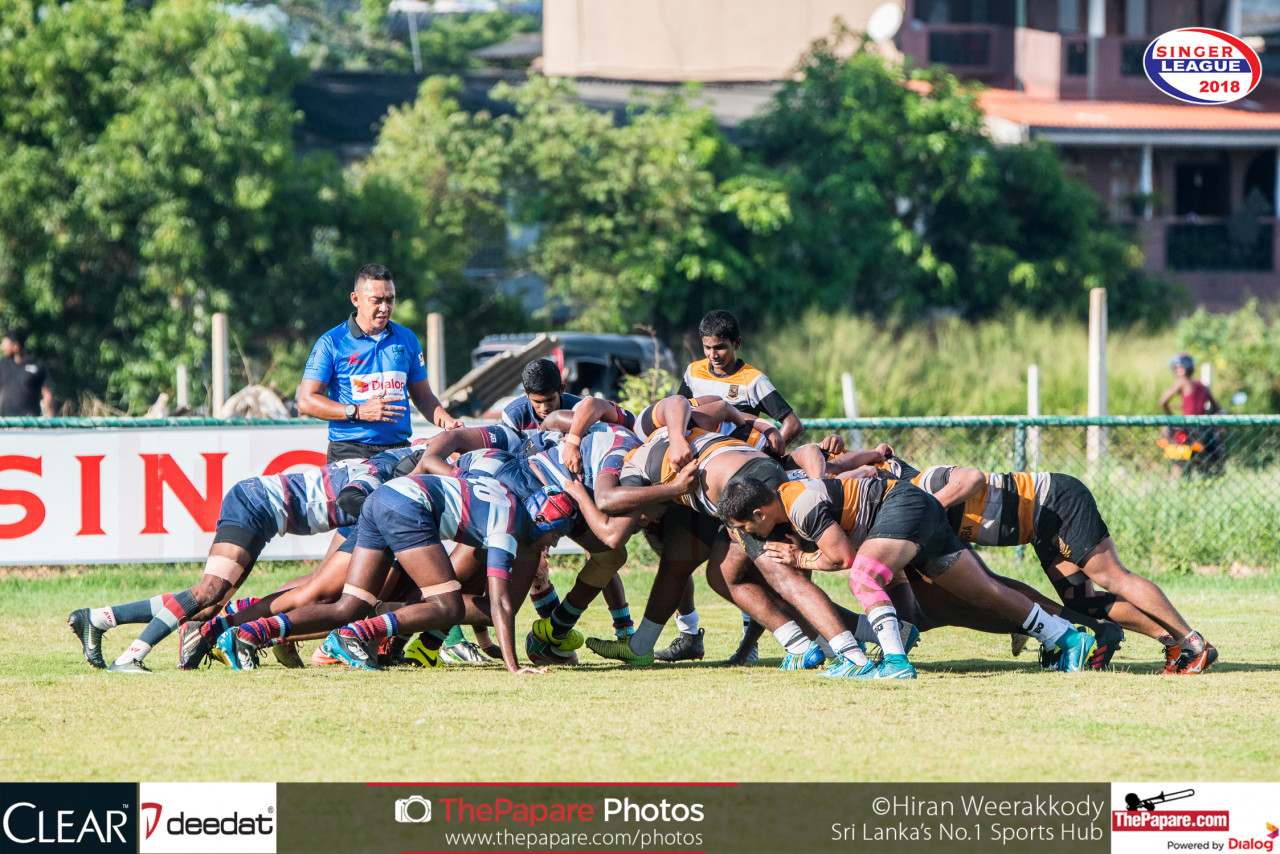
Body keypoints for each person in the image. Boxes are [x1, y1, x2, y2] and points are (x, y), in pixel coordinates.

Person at [67, 448, 418, 672]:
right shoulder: (389, 470)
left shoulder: (398, 465)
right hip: (255, 504)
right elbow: (349, 499)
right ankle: (131, 657)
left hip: (259, 506)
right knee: (209, 593)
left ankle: (99, 618)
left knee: (206, 604)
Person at [718, 476, 1102, 678]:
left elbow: (843, 558)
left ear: (758, 513)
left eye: (745, 527)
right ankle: (1068, 638)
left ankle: (896, 665)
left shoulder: (798, 504)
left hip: (904, 505)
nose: (749, 536)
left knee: (864, 577)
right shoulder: (788, 502)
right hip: (919, 509)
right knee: (987, 591)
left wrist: (800, 560)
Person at [905, 461, 1216, 675]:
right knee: (1081, 602)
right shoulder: (909, 518)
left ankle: (1194, 644)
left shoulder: (927, 485)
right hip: (1041, 527)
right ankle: (1173, 644)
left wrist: (934, 504)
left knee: (1112, 577)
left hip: (1056, 500)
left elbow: (973, 476)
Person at [668, 310, 804, 663]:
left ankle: (752, 644)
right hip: (704, 481)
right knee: (674, 554)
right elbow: (677, 410)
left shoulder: (752, 380)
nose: (714, 355)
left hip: (742, 483)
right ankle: (687, 635)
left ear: (737, 344)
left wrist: (772, 450)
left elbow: (792, 422)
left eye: (722, 348)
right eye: (708, 347)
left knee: (744, 565)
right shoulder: (693, 373)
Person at [297, 263, 462, 463]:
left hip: (398, 450)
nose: (384, 308)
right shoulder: (331, 342)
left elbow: (424, 397)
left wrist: (447, 423)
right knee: (354, 496)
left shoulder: (407, 339)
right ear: (355, 299)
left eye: (390, 300)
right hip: (349, 451)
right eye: (376, 301)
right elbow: (306, 402)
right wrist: (357, 411)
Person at [1159, 353, 1223, 476]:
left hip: (1186, 427)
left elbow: (1163, 401)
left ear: (1186, 368)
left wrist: (1172, 418)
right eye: (1175, 368)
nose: (1177, 371)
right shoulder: (1202, 386)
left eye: (1179, 368)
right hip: (1201, 429)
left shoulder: (1182, 381)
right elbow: (1215, 408)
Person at [0, 328, 53, 417]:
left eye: (5, 344)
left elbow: (47, 396)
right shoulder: (3, 364)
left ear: (15, 346)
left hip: (31, 422)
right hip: (7, 422)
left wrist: (52, 424)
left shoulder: (38, 365)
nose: (2, 347)